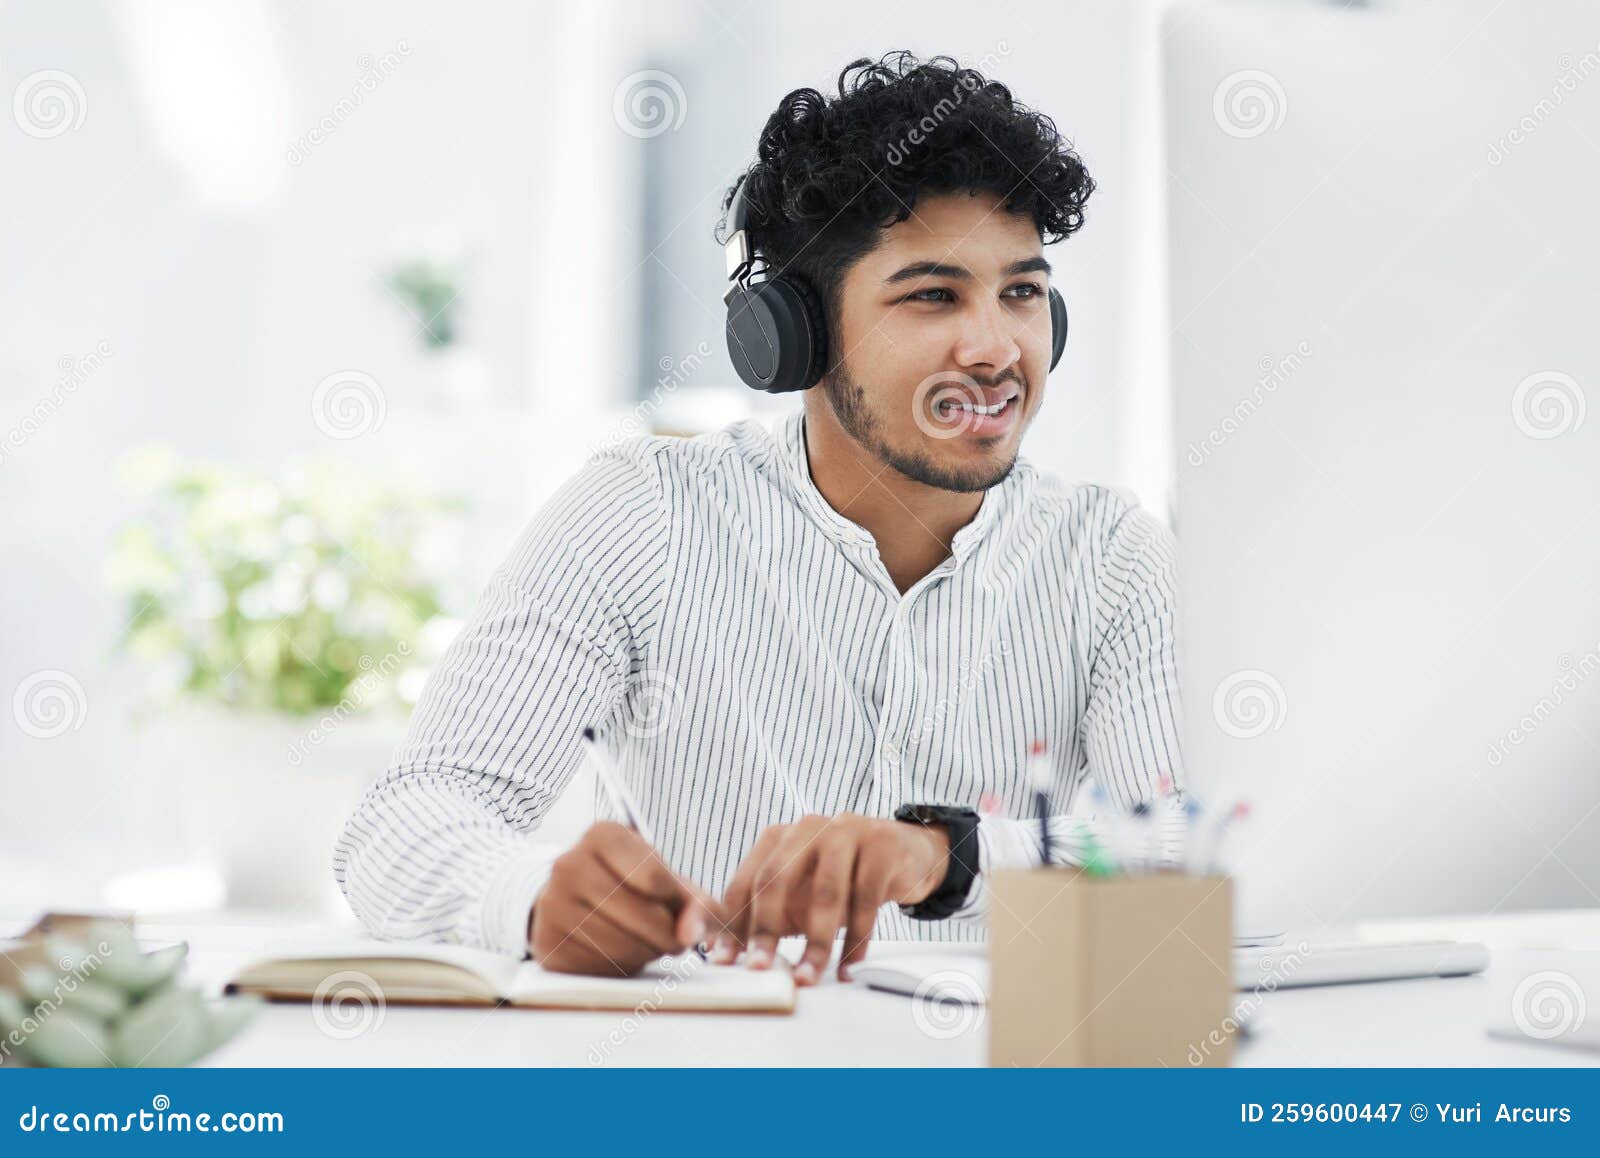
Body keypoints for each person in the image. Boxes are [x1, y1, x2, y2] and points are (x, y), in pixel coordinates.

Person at [334, 51, 1182, 987]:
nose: (996, 349)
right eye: (933, 295)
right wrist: (529, 901)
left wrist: (946, 858)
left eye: (1021, 293)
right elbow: (403, 823)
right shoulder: (645, 514)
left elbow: (1177, 856)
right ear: (790, 335)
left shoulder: (1110, 554)